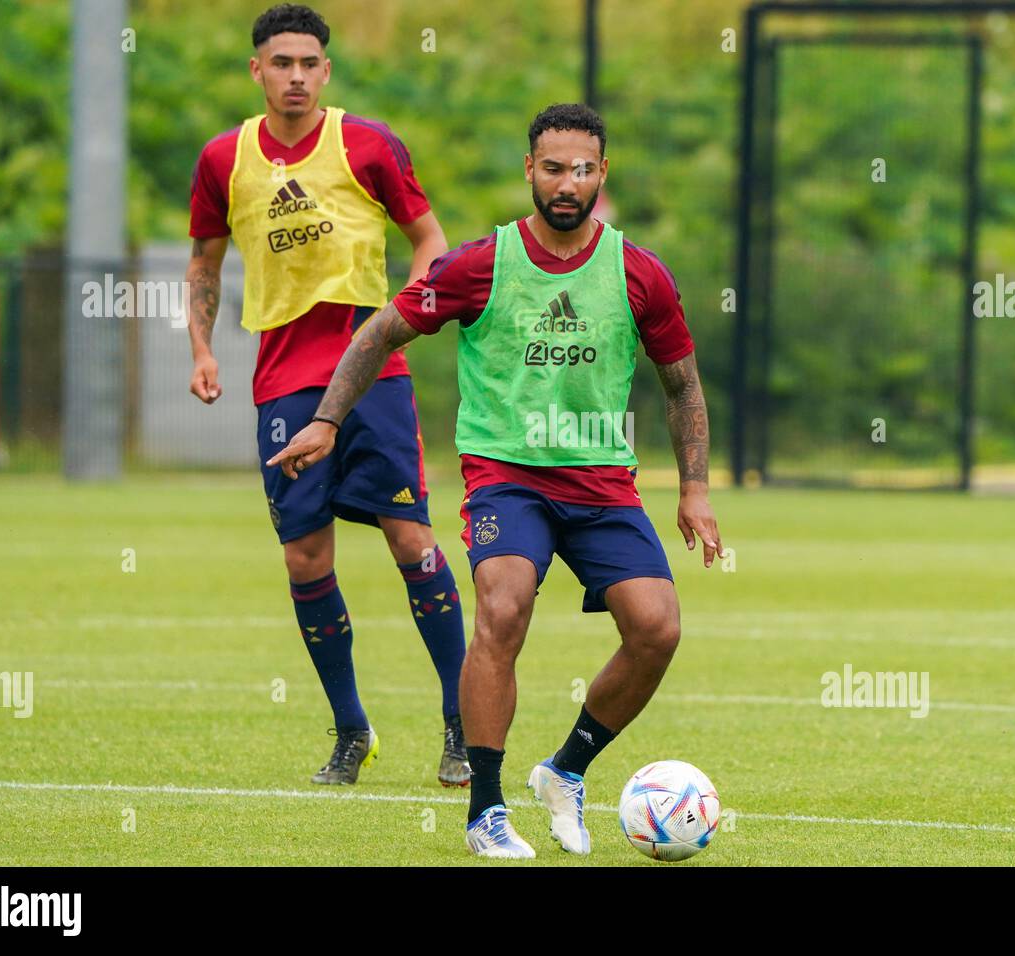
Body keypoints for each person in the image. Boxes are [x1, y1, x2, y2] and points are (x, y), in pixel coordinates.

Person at [269, 102, 722, 857]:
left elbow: (682, 385)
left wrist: (696, 488)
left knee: (657, 628)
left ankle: (565, 771)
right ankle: (486, 808)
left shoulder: (638, 271)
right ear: (530, 171)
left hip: (601, 480)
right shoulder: (482, 264)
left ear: (602, 174)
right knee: (503, 608)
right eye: (553, 168)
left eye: (583, 169)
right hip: (507, 478)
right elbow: (380, 330)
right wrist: (325, 421)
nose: (567, 182)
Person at [185, 3, 470, 788]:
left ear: (327, 70)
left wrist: (404, 316)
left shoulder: (367, 144)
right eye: (282, 63)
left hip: (373, 371)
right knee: (305, 557)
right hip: (283, 379)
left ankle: (460, 719)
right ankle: (352, 729)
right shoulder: (222, 160)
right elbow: (204, 264)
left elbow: (430, 242)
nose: (296, 77)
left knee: (411, 540)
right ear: (257, 70)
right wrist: (202, 347)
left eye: (309, 63)